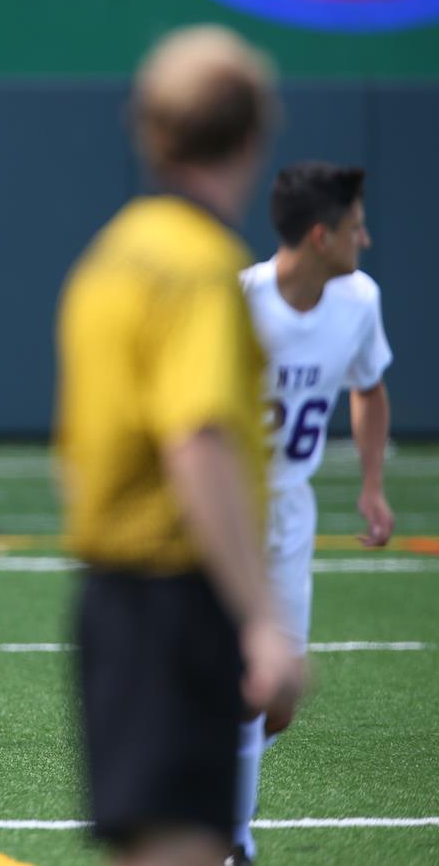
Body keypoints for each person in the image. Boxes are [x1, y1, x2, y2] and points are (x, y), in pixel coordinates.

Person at [55, 24, 306, 866]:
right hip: (175, 601)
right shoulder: (203, 267)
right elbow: (197, 439)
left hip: (107, 601)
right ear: (253, 132)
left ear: (150, 128)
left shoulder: (109, 256)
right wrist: (262, 618)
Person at [228, 163, 394, 866]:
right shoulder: (238, 301)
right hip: (226, 512)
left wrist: (373, 483)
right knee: (245, 686)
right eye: (357, 225)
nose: (368, 236)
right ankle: (234, 839)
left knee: (280, 702)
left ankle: (217, 760)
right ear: (321, 235)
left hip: (290, 516)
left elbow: (368, 386)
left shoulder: (359, 299)